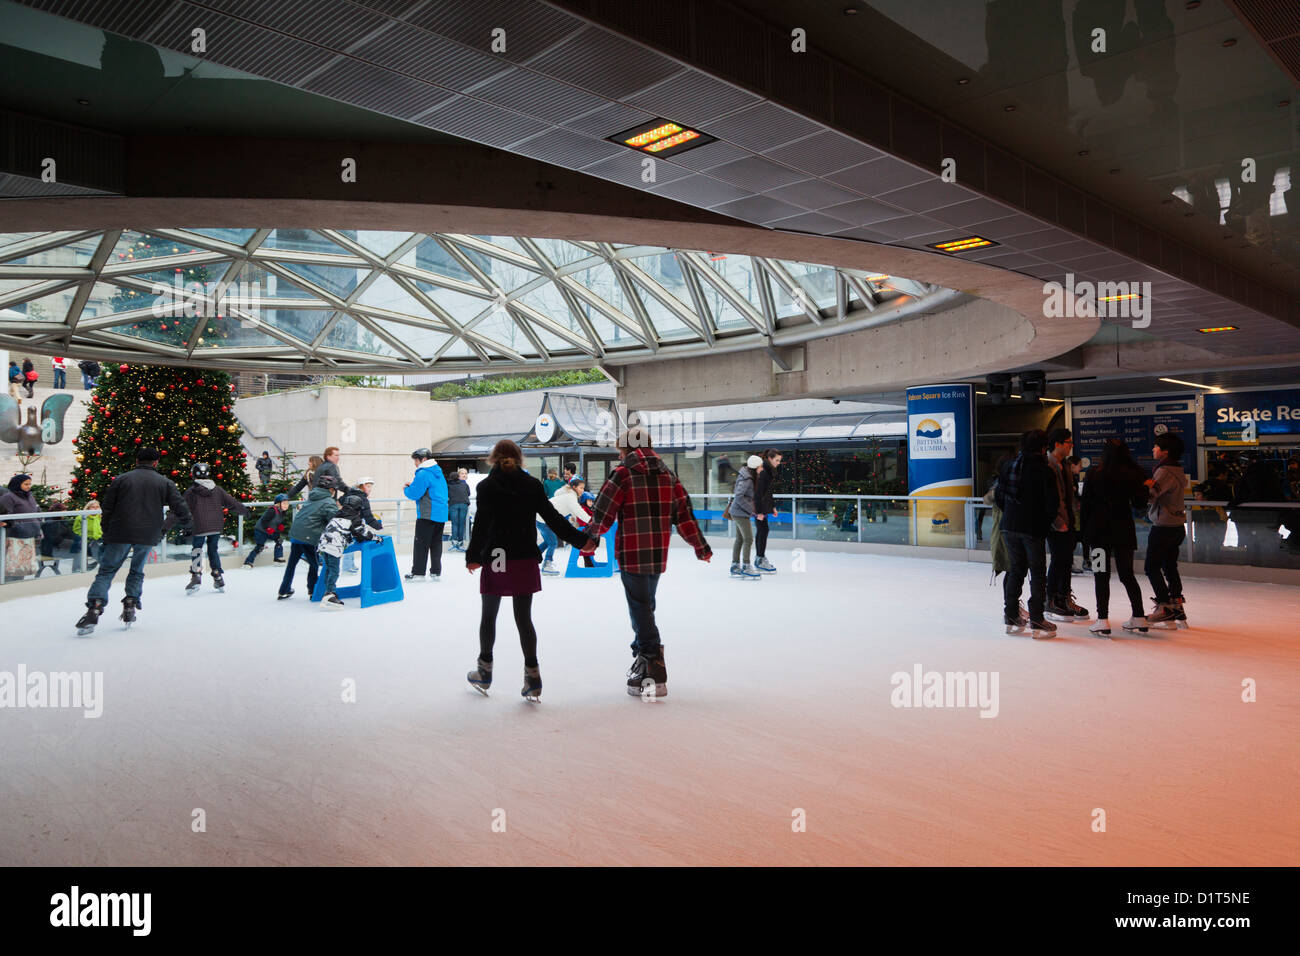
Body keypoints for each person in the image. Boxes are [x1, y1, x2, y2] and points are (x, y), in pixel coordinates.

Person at [579, 426, 712, 697]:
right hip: (657, 554)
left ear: (625, 448)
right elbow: (684, 515)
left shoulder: (623, 474)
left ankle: (653, 664)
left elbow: (602, 514)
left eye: (619, 450)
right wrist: (700, 546)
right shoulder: (668, 475)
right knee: (645, 607)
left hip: (632, 552)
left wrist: (587, 541)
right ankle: (644, 661)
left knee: (640, 608)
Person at [465, 439, 589, 701]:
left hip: (497, 556)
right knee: (524, 619)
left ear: (493, 458)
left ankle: (484, 672)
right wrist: (581, 540)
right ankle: (532, 677)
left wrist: (474, 556)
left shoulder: (487, 487)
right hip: (524, 556)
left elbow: (482, 525)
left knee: (489, 615)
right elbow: (554, 518)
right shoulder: (532, 485)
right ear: (520, 458)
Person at [74, 446, 191, 635]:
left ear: (137, 461)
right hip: (147, 534)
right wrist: (187, 525)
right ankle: (130, 603)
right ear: (156, 463)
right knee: (136, 570)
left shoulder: (122, 479)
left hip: (120, 532)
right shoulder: (164, 482)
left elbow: (108, 507)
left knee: (107, 571)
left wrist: (106, 530)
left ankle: (95, 606)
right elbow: (180, 506)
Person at [1079, 438, 1149, 637]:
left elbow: (1085, 507)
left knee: (1101, 575)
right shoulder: (1133, 475)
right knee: (1127, 574)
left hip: (1098, 533)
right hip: (1123, 531)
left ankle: (1102, 619)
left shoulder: (1093, 474)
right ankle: (1139, 616)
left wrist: (1084, 534)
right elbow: (1139, 504)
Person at [994, 429, 1059, 638]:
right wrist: (1045, 522)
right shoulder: (1044, 470)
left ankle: (1011, 614)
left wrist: (1012, 514)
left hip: (1010, 526)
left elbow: (999, 497)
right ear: (1042, 447)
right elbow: (1052, 504)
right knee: (1038, 573)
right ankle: (1037, 618)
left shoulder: (1009, 466)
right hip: (1032, 528)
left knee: (1016, 569)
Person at [178, 462, 250, 594]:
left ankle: (196, 575)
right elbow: (232, 503)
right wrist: (245, 511)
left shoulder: (192, 491)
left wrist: (166, 525)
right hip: (215, 526)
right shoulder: (217, 489)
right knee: (213, 550)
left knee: (197, 550)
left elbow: (180, 509)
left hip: (199, 526)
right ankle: (217, 575)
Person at [1144, 432, 1189, 628]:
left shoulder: (1164, 471)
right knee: (1169, 566)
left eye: (1156, 446)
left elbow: (1151, 495)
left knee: (1151, 566)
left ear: (1165, 451)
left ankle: (1164, 606)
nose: (1153, 449)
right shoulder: (1177, 469)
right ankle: (1176, 604)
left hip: (1164, 526)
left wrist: (1143, 485)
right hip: (1177, 526)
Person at [1044, 428, 1088, 621]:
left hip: (1067, 520)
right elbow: (1049, 498)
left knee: (1065, 560)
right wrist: (1057, 522)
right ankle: (1051, 600)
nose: (1071, 445)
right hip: (1056, 523)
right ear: (1057, 444)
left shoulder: (1063, 465)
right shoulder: (1048, 465)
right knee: (1058, 560)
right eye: (1068, 442)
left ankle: (1063, 598)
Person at [278, 474, 340, 600]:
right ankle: (313, 590)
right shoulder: (329, 502)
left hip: (296, 533)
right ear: (331, 490)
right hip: (308, 537)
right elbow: (334, 521)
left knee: (292, 564)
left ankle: (284, 590)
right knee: (314, 564)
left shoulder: (312, 496)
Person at [316, 492, 380, 609]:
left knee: (329, 569)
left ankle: (328, 592)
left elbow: (347, 531)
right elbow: (362, 532)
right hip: (333, 546)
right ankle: (329, 594)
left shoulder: (338, 514)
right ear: (357, 508)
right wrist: (376, 537)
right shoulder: (354, 518)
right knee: (334, 570)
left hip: (323, 543)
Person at [1229, 456, 1286, 568]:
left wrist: (1237, 502)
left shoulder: (1252, 474)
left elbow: (1254, 493)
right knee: (1266, 543)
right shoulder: (1269, 476)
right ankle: (1270, 566)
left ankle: (1255, 565)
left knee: (1254, 543)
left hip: (1255, 517)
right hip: (1269, 516)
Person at [404, 449, 448, 581]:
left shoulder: (423, 473)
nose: (415, 464)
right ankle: (435, 572)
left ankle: (418, 573)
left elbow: (414, 494)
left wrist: (406, 488)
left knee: (421, 544)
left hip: (427, 514)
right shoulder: (438, 471)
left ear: (423, 459)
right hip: (440, 513)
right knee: (436, 544)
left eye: (416, 461)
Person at [0, 474, 43, 580]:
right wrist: (11, 524)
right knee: (12, 565)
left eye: (30, 484)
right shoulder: (8, 497)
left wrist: (37, 524)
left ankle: (19, 584)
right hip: (14, 537)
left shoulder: (30, 496)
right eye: (26, 484)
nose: (28, 486)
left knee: (23, 565)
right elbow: (6, 514)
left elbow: (36, 511)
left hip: (29, 536)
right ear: (17, 484)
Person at [727, 455, 762, 579]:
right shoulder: (747, 479)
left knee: (740, 539)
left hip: (739, 512)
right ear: (755, 467)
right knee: (748, 539)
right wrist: (752, 511)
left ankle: (735, 565)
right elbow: (739, 496)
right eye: (760, 466)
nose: (761, 469)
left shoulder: (749, 476)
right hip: (739, 513)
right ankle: (746, 565)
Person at [1191, 462, 1233, 563]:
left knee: (1214, 553)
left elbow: (1223, 520)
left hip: (1214, 536)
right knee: (1200, 552)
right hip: (1200, 536)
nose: (1195, 498)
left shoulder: (1215, 508)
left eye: (1198, 495)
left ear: (1205, 495)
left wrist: (1219, 535)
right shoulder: (1195, 507)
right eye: (1194, 495)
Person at [752, 449, 782, 573]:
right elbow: (758, 493)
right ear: (769, 458)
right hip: (759, 507)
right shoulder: (763, 472)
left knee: (763, 530)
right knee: (763, 530)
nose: (779, 463)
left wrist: (773, 506)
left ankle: (760, 557)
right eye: (777, 460)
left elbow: (768, 492)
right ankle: (760, 559)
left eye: (780, 460)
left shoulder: (768, 471)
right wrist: (759, 512)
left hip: (763, 506)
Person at [243, 494, 291, 567]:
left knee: (279, 540)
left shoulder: (283, 512)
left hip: (271, 530)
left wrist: (280, 526)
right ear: (278, 504)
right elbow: (264, 521)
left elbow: (276, 521)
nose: (286, 505)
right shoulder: (272, 511)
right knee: (260, 547)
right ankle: (248, 562)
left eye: (287, 503)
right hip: (261, 530)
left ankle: (277, 558)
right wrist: (268, 528)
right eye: (284, 503)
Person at [72, 498, 103, 570]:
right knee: (82, 551)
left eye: (97, 507)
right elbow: (76, 529)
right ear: (88, 508)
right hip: (86, 540)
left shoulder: (101, 517)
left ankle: (102, 569)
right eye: (93, 507)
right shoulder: (82, 517)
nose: (95, 509)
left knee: (102, 554)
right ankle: (79, 568)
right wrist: (84, 535)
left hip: (99, 539)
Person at [446, 467, 471, 552]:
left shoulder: (448, 485)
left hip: (453, 505)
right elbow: (468, 493)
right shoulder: (464, 484)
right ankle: (460, 543)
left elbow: (447, 495)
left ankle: (454, 542)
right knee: (461, 524)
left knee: (455, 524)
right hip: (464, 504)